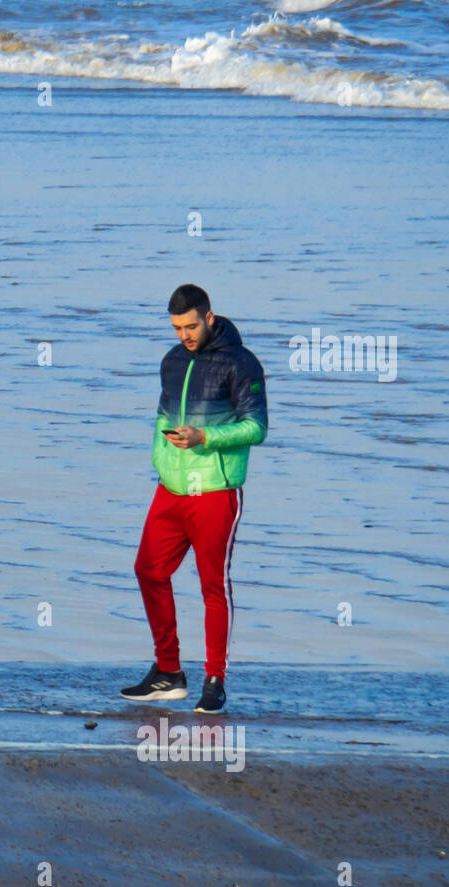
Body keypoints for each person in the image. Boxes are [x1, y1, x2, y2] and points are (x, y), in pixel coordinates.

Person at [120, 284, 268, 714]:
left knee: (212, 586)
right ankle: (168, 673)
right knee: (148, 571)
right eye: (176, 327)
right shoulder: (171, 361)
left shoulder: (241, 363)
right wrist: (161, 463)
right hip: (170, 490)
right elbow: (162, 418)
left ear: (209, 317)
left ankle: (215, 679)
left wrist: (206, 437)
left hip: (216, 492)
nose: (183, 335)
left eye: (189, 326)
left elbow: (256, 427)